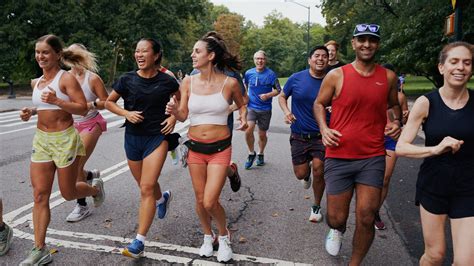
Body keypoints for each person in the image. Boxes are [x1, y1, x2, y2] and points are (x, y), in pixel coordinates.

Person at [314, 24, 401, 264]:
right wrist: (324, 128)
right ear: (353, 43)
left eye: (372, 40)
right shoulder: (337, 75)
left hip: (372, 157)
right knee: (336, 217)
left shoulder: (388, 77)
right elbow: (319, 104)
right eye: (361, 40)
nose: (367, 44)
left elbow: (395, 106)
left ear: (378, 44)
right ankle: (336, 230)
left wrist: (397, 122)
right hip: (339, 155)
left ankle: (355, 262)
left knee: (366, 215)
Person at [19, 34, 105, 265]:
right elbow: (43, 107)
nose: (40, 56)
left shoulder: (65, 78)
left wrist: (59, 101)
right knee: (39, 195)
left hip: (65, 140)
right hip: (42, 141)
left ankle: (95, 190)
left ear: (57, 54)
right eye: (38, 52)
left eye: (45, 52)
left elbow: (79, 109)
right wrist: (30, 112)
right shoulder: (36, 82)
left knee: (68, 193)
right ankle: (40, 249)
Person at [166, 32, 247, 263]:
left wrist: (244, 118)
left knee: (211, 200)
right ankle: (206, 236)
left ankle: (224, 237)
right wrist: (173, 111)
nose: (192, 55)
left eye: (197, 51)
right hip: (195, 149)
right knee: (200, 199)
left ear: (210, 56)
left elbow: (243, 104)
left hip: (220, 149)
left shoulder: (230, 82)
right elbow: (182, 116)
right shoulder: (188, 82)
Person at [396, 42, 474, 265]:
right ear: (441, 67)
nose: (460, 67)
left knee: (466, 262)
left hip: (469, 187)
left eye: (467, 63)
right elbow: (401, 147)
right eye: (454, 61)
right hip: (434, 184)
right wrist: (436, 148)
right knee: (435, 255)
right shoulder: (426, 102)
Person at [105, 38, 179, 258]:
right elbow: (109, 102)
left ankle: (139, 241)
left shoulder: (167, 81)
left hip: (157, 137)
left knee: (146, 187)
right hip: (133, 138)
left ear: (155, 55)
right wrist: (126, 113)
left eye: (144, 51)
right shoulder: (126, 79)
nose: (139, 55)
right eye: (137, 51)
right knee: (145, 185)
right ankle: (162, 199)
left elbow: (181, 101)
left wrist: (174, 116)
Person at [190, 31, 248, 193]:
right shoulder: (195, 73)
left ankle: (226, 177)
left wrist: (229, 108)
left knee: (215, 167)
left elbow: (244, 100)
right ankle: (229, 172)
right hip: (199, 130)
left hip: (222, 127)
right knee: (205, 166)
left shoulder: (231, 74)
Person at [278, 45, 329, 223]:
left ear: (328, 60)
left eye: (324, 56)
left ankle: (316, 206)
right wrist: (286, 111)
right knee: (301, 174)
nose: (320, 59)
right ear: (309, 60)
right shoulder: (296, 78)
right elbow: (282, 96)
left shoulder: (332, 80)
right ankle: (305, 175)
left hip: (322, 136)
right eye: (317, 56)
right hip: (299, 134)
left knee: (319, 169)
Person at [63, 43, 109, 222]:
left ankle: (82, 206)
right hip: (71, 125)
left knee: (74, 165)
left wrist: (89, 105)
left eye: (77, 54)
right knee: (71, 166)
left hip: (91, 123)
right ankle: (90, 176)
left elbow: (106, 101)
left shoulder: (93, 78)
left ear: (83, 56)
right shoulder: (64, 77)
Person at [373, 63, 410, 230]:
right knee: (369, 178)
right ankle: (366, 208)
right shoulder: (372, 92)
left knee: (385, 178)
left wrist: (404, 118)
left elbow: (404, 121)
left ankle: (375, 211)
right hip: (372, 138)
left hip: (391, 140)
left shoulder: (400, 97)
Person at [244, 50, 281, 169]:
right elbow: (244, 87)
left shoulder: (271, 74)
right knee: (248, 130)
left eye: (262, 59)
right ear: (254, 60)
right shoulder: (248, 73)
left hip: (265, 109)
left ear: (265, 60)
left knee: (262, 134)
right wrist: (244, 100)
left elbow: (278, 90)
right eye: (257, 59)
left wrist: (267, 95)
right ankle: (251, 153)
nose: (260, 61)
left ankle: (260, 153)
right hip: (252, 107)